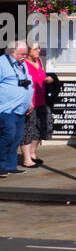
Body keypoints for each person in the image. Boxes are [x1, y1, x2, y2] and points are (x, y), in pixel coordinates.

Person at [0, 46, 33, 177]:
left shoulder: (22, 64)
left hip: (21, 109)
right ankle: (0, 165)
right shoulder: (2, 63)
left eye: (25, 54)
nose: (25, 56)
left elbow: (28, 83)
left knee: (16, 138)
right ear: (12, 52)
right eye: (22, 54)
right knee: (8, 135)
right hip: (6, 109)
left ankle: (10, 165)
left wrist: (29, 101)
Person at [19, 40, 48, 168]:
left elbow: (42, 77)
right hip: (30, 101)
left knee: (40, 128)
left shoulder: (39, 61)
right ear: (29, 50)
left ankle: (33, 154)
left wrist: (49, 79)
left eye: (39, 48)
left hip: (41, 100)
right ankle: (26, 158)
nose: (39, 51)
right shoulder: (23, 64)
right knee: (28, 130)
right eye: (36, 49)